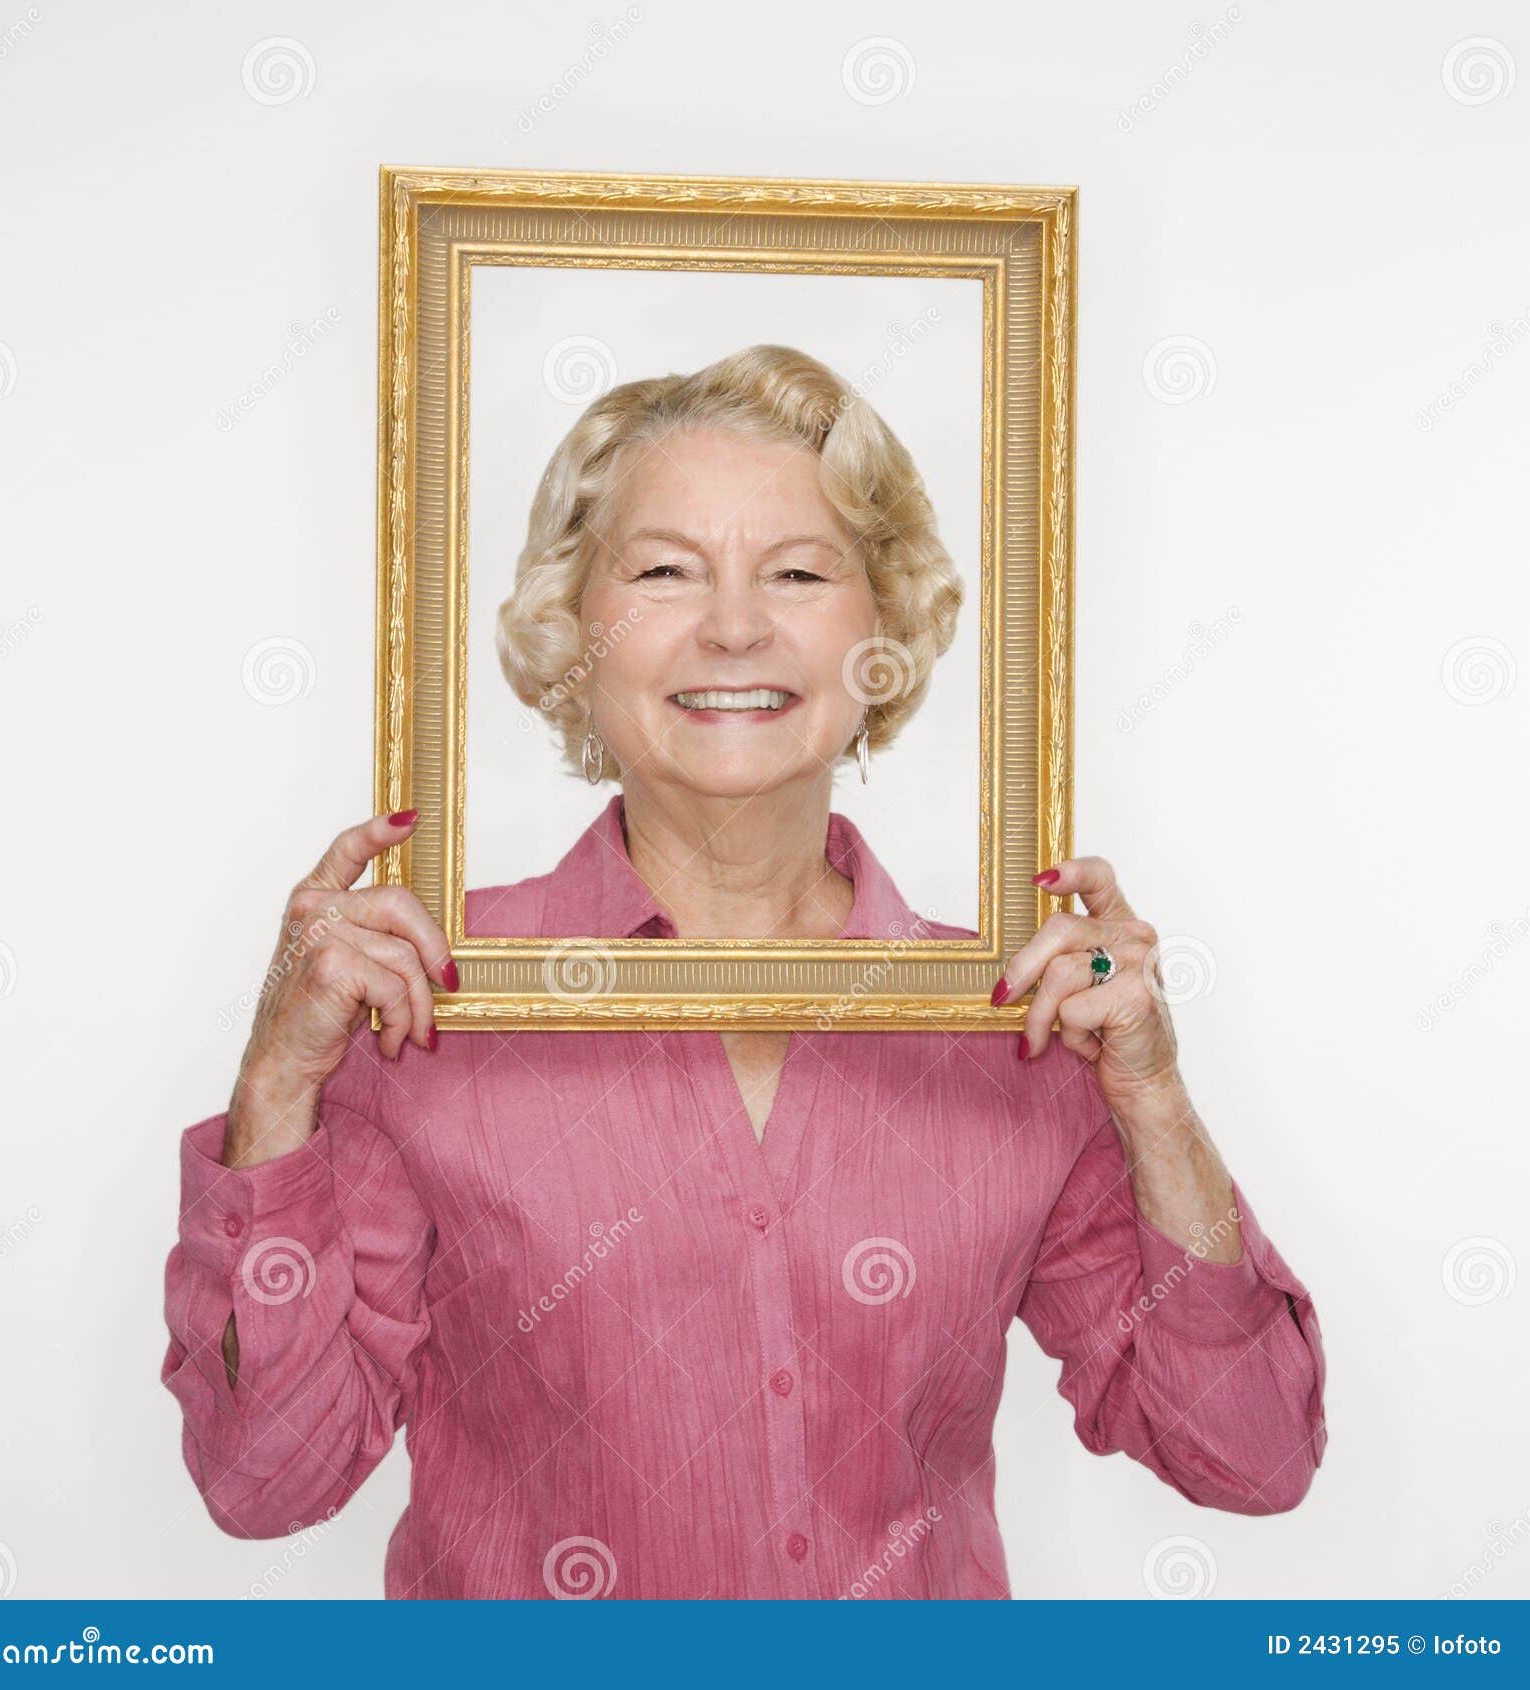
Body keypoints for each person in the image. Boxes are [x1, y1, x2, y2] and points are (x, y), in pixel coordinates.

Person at [161, 345, 1326, 1599]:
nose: (731, 625)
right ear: (573, 635)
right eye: (663, 570)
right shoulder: (429, 1001)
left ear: (883, 631)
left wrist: (1153, 1101)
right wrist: (277, 1085)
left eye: (798, 571)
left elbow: (1250, 1456)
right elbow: (267, 1478)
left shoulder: (1018, 1020)